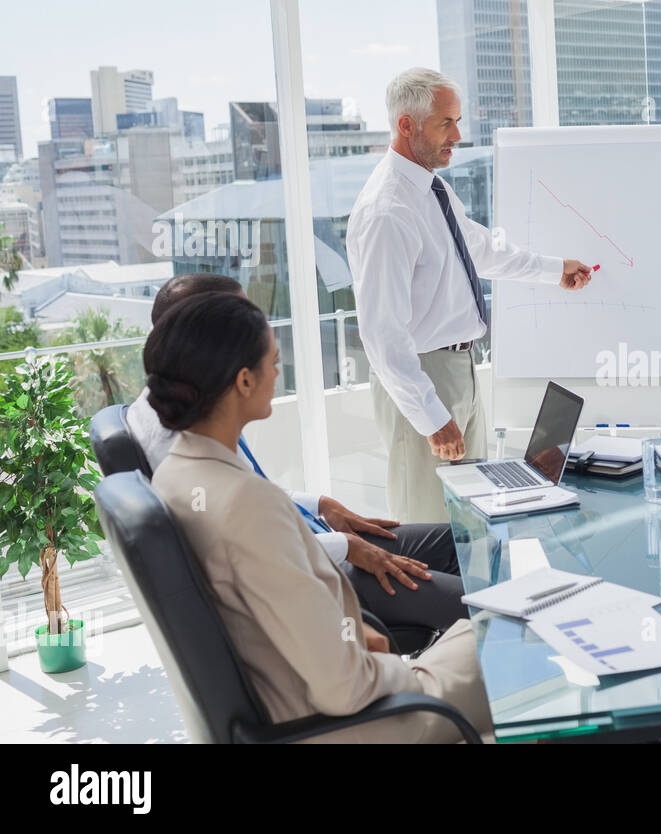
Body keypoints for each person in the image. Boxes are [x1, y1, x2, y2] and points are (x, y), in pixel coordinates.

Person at [146, 292, 492, 742]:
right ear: (244, 381)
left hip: (294, 700)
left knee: (484, 621)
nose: (278, 370)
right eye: (272, 360)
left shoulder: (175, 474)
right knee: (506, 629)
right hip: (352, 722)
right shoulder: (247, 504)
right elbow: (344, 689)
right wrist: (378, 658)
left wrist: (351, 639)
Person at [126, 273, 467, 636]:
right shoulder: (181, 445)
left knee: (462, 541)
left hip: (309, 540)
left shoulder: (186, 411)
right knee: (485, 610)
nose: (273, 369)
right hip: (312, 573)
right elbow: (250, 552)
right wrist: (346, 546)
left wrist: (322, 504)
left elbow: (245, 505)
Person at [350, 67, 595, 524]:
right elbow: (383, 336)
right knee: (431, 525)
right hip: (423, 379)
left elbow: (479, 249)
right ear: (407, 125)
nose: (457, 135)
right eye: (446, 122)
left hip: (460, 369)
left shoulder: (431, 189)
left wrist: (553, 271)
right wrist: (430, 416)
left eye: (457, 121)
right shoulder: (388, 211)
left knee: (474, 517)